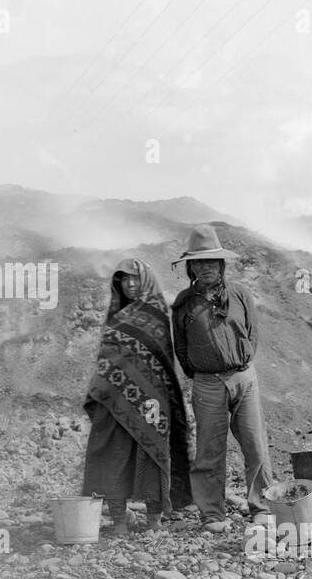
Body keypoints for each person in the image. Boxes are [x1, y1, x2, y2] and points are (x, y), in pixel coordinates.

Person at [171, 226, 273, 523]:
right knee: (209, 451)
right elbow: (182, 347)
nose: (206, 268)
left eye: (212, 262)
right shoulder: (183, 304)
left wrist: (240, 363)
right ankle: (212, 514)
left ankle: (262, 507)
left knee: (255, 446)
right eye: (199, 263)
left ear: (222, 265)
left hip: (245, 379)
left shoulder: (240, 294)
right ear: (191, 268)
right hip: (207, 384)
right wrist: (203, 374)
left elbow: (252, 334)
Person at [82, 258, 192, 535]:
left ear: (147, 282)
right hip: (115, 402)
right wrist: (99, 390)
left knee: (153, 457)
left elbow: (163, 365)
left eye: (135, 279)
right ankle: (119, 520)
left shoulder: (157, 317)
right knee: (113, 458)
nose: (130, 284)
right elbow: (106, 361)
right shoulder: (114, 317)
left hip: (152, 404)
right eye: (124, 279)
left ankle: (154, 520)